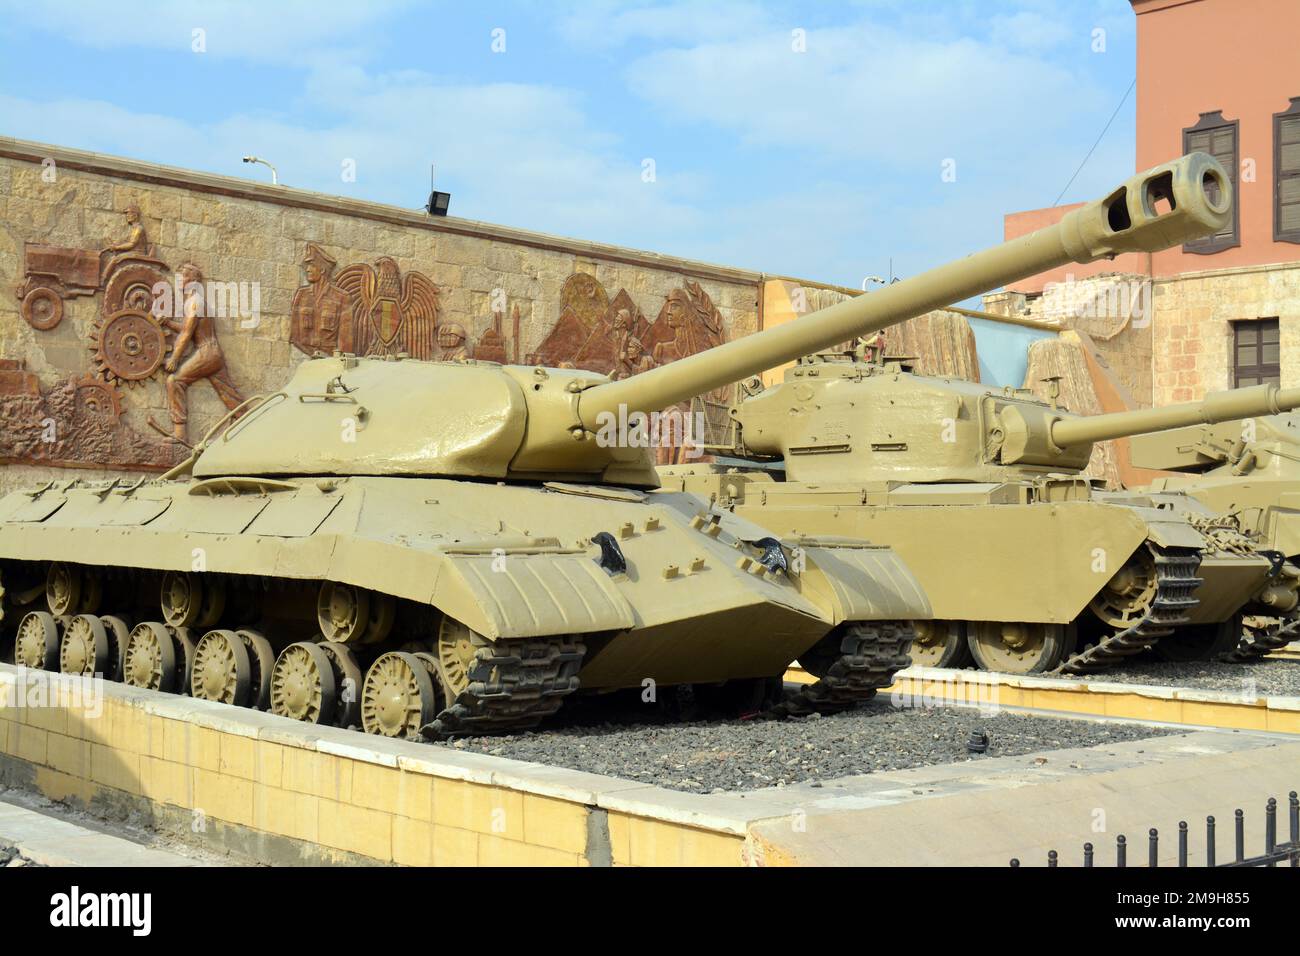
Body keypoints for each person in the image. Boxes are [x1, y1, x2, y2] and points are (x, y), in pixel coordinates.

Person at [164, 263, 244, 441]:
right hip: (213, 353)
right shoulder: (194, 302)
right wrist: (168, 323)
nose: (180, 280)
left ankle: (179, 434)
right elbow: (187, 328)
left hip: (206, 352)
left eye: (184, 277)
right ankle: (250, 421)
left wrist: (174, 359)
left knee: (174, 381)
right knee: (228, 394)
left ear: (193, 281)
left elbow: (186, 334)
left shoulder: (195, 302)